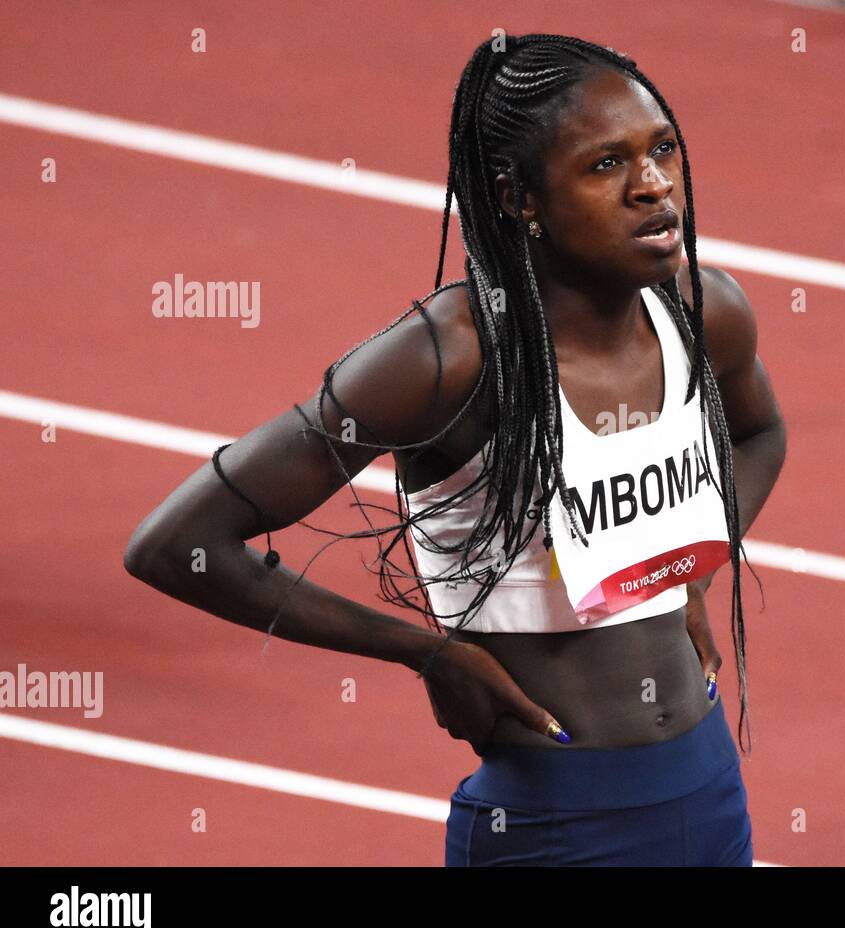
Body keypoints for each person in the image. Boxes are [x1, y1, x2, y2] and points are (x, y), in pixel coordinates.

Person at [123, 32, 787, 866]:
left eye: (662, 150)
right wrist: (424, 652)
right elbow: (177, 545)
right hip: (550, 825)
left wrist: (687, 561)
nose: (652, 185)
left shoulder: (701, 308)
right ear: (519, 198)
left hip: (707, 785)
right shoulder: (450, 359)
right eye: (605, 165)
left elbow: (762, 431)